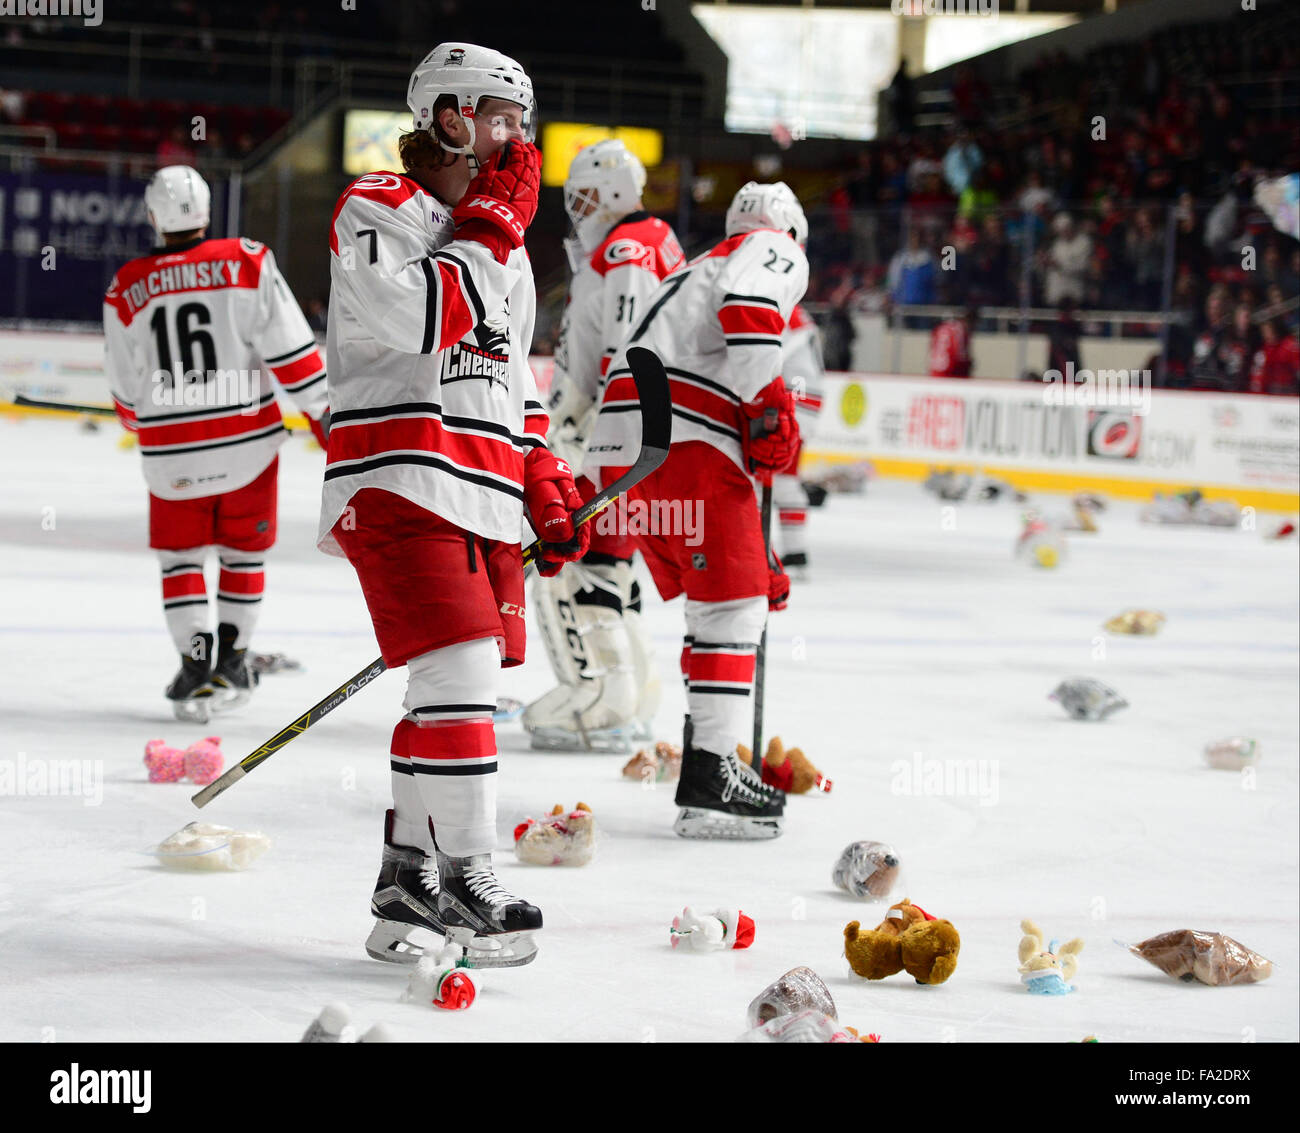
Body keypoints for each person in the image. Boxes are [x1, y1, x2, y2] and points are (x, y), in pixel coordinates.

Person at [319, 43, 587, 968]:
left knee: (448, 688)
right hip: (398, 475)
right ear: (448, 115)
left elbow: (513, 382)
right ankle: (471, 872)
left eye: (524, 117)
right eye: (503, 116)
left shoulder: (498, 238)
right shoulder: (378, 207)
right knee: (464, 673)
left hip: (478, 488)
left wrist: (543, 474)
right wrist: (490, 227)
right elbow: (421, 320)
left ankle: (408, 883)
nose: (520, 138)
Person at [583, 181, 810, 840]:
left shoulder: (693, 269)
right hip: (681, 434)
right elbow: (751, 308)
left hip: (631, 448)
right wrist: (764, 400)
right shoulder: (771, 248)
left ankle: (704, 759)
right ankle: (711, 771)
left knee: (723, 597)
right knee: (735, 604)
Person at [103, 165, 329, 722]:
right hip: (247, 447)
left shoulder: (126, 286)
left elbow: (126, 393)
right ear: (206, 210)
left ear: (154, 217)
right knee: (243, 555)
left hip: (169, 456)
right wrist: (323, 412)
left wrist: (149, 419)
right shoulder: (247, 260)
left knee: (180, 561)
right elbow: (290, 349)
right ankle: (232, 659)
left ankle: (195, 663)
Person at [523, 138, 685, 751]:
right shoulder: (650, 242)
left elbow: (627, 351)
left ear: (617, 191)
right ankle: (632, 693)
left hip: (615, 433)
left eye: (587, 193)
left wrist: (580, 426)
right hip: (626, 431)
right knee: (610, 569)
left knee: (572, 563)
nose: (579, 205)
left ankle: (602, 699)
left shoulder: (628, 250)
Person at [771, 304, 825, 576]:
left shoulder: (780, 305)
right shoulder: (794, 309)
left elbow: (768, 355)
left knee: (775, 479)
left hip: (793, 398)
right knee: (780, 478)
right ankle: (794, 550)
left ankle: (786, 550)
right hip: (803, 397)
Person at [929, 306, 977, 378]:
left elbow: (932, 349)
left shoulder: (940, 327)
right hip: (950, 374)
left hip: (935, 372)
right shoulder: (960, 330)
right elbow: (960, 356)